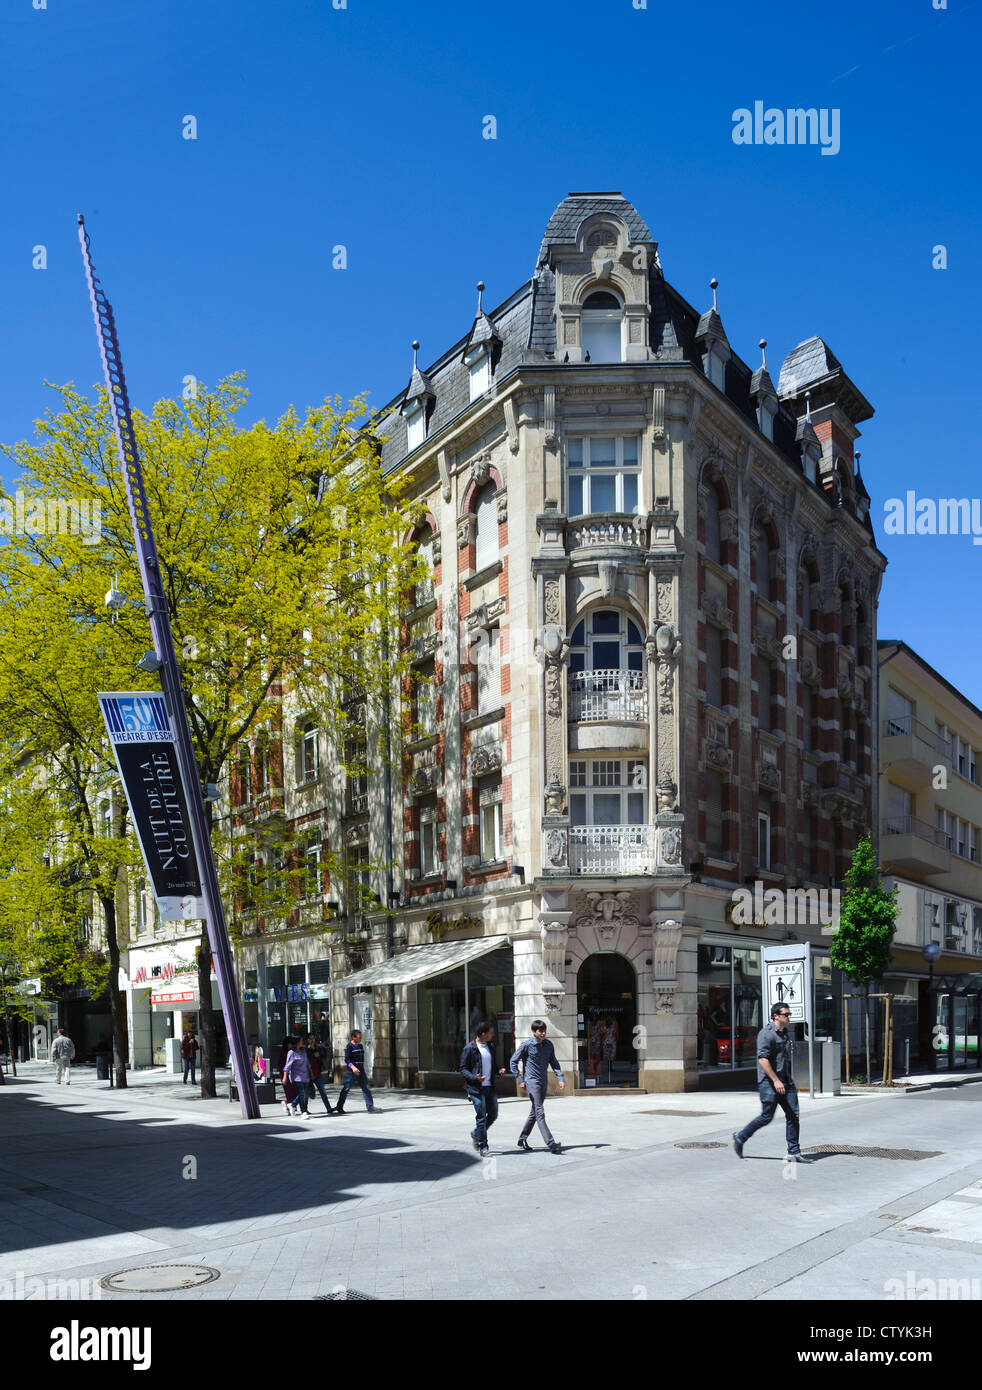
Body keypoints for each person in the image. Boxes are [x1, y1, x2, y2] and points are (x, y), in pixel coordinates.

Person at [733, 1003, 815, 1162]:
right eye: (786, 1014)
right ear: (776, 1016)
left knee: (793, 1115)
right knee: (766, 1116)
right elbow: (763, 1059)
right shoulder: (766, 1034)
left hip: (786, 1081)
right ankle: (741, 1137)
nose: (789, 1017)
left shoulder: (785, 1033)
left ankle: (794, 1152)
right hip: (769, 1083)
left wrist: (785, 1080)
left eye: (789, 1014)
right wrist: (776, 1080)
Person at [510, 1020, 565, 1153]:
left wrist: (560, 1078)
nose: (543, 1033)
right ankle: (551, 1144)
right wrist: (520, 1079)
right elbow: (513, 1061)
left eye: (544, 1030)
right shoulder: (527, 1045)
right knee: (540, 1112)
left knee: (534, 1113)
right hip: (532, 1083)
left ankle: (522, 1138)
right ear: (534, 1032)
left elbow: (554, 1062)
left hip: (543, 1083)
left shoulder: (548, 1045)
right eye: (540, 1031)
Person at [460, 1020, 506, 1157]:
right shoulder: (469, 1048)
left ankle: (476, 1133)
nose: (493, 1036)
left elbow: (493, 1065)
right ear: (483, 1034)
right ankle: (483, 1147)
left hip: (489, 1087)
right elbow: (463, 1069)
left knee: (493, 1114)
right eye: (491, 1033)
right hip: (476, 1089)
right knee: (481, 1117)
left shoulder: (490, 1046)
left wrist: (499, 1071)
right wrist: (475, 1077)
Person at [335, 1030, 378, 1113]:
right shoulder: (349, 1046)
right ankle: (339, 1107)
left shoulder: (360, 1046)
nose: (361, 1039)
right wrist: (353, 1068)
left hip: (361, 1071)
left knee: (366, 1088)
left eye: (361, 1037)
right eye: (359, 1037)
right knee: (346, 1088)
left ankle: (370, 1107)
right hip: (351, 1072)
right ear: (353, 1037)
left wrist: (360, 1068)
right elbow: (347, 1060)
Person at [281, 1036, 313, 1119]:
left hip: (305, 1076)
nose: (303, 1042)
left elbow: (307, 1063)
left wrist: (311, 1072)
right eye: (301, 1041)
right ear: (297, 1043)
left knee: (305, 1094)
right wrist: (285, 1077)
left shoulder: (303, 1051)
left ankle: (292, 1104)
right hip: (297, 1077)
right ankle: (304, 1112)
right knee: (302, 1094)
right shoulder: (291, 1052)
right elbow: (287, 1066)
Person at [304, 1033, 336, 1114]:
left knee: (323, 1092)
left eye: (313, 1038)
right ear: (307, 1040)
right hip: (309, 1074)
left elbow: (324, 1055)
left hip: (317, 1073)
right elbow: (306, 1060)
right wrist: (314, 1055)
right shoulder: (305, 1049)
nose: (312, 1040)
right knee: (306, 1093)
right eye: (310, 1039)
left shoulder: (318, 1047)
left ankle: (328, 1108)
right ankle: (303, 1109)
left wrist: (322, 1050)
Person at [276, 1035, 300, 1116]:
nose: (291, 1045)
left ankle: (287, 1104)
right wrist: (284, 1076)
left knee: (295, 1092)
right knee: (289, 1092)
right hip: (285, 1075)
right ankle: (290, 1106)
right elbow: (281, 1066)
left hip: (292, 1075)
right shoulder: (283, 1053)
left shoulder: (293, 1052)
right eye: (290, 1044)